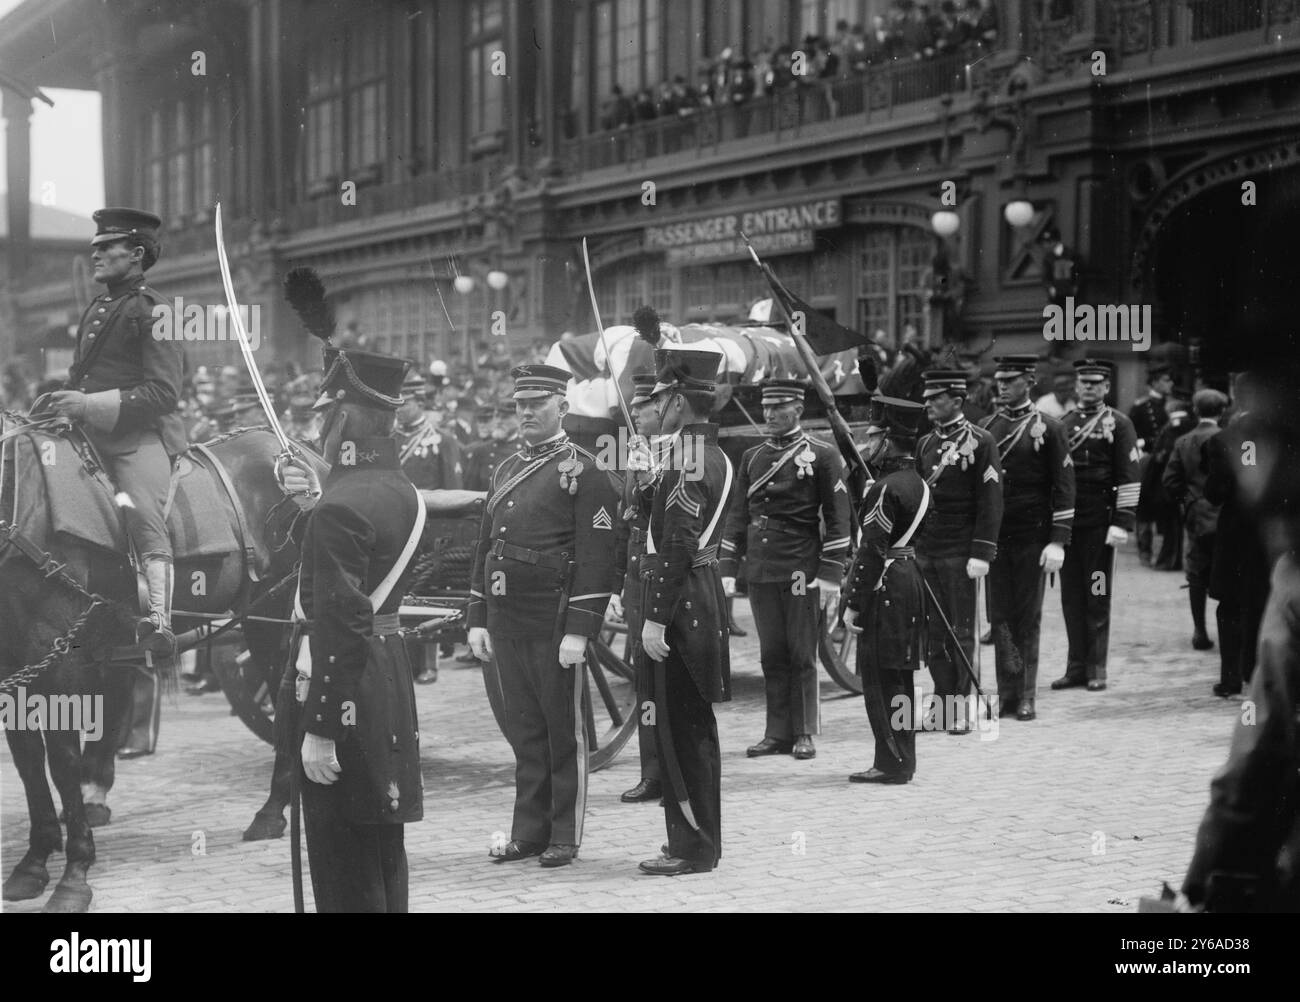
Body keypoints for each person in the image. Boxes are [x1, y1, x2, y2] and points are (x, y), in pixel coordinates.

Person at [466, 364, 618, 868]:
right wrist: (478, 617)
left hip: (554, 622)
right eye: (519, 404)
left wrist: (580, 630)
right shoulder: (506, 469)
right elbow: (487, 547)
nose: (526, 412)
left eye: (537, 403)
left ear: (563, 407)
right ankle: (527, 833)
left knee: (561, 731)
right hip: (507, 619)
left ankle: (564, 835)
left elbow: (597, 557)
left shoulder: (587, 471)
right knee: (525, 731)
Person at [295, 347, 425, 912]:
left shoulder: (338, 508)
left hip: (345, 684)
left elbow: (342, 624)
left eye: (326, 417)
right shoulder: (399, 489)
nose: (320, 429)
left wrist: (321, 726)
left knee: (342, 854)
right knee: (380, 841)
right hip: (387, 671)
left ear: (343, 419)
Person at [40, 207, 184, 654]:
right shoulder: (100, 306)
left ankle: (159, 616)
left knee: (140, 508)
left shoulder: (156, 310)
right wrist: (59, 404)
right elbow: (82, 377)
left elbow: (163, 394)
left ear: (136, 253)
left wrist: (86, 405)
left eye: (106, 247)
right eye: (95, 246)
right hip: (86, 434)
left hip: (136, 438)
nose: (95, 254)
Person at [638, 348, 733, 875]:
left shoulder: (683, 460)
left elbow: (676, 543)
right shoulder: (712, 454)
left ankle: (692, 847)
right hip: (703, 591)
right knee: (696, 730)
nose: (656, 406)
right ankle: (701, 843)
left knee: (682, 733)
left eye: (658, 398)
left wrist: (655, 617)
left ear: (676, 400)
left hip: (680, 605)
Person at [720, 379, 851, 761]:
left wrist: (830, 573)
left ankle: (805, 731)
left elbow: (838, 518)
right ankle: (776, 732)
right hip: (761, 568)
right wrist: (730, 565)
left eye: (779, 408)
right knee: (771, 653)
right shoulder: (752, 457)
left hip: (799, 566)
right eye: (766, 407)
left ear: (797, 408)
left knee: (800, 652)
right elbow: (738, 515)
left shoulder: (823, 455)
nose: (769, 415)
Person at [842, 374, 929, 783]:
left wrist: (854, 603)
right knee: (901, 675)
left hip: (885, 587)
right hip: (909, 578)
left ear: (888, 440)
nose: (867, 444)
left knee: (880, 677)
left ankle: (889, 762)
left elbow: (871, 550)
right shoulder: (919, 483)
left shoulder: (883, 488)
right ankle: (902, 759)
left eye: (872, 436)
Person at [979, 355, 1074, 722]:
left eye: (1010, 379)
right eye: (999, 379)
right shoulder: (988, 426)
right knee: (1000, 616)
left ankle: (1027, 695)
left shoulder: (1050, 428)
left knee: (1027, 617)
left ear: (1029, 380)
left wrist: (1058, 540)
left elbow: (1064, 487)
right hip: (998, 538)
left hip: (1034, 536)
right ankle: (1006, 693)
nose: (1002, 385)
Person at [914, 369, 1003, 732]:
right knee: (935, 632)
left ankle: (961, 709)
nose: (929, 404)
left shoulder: (982, 442)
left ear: (957, 400)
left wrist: (982, 552)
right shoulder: (924, 444)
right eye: (928, 398)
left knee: (962, 631)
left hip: (960, 550)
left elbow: (991, 501)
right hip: (928, 550)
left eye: (936, 398)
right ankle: (942, 706)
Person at [1052, 359, 1140, 692]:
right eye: (1083, 383)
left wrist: (1122, 521)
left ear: (1106, 387)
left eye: (1095, 383)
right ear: (1076, 387)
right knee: (1071, 598)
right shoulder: (1062, 424)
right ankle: (1075, 666)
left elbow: (1129, 476)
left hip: (1100, 527)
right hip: (1069, 525)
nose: (1088, 388)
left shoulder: (1119, 424)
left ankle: (1096, 668)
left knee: (1097, 594)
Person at [609, 372, 664, 803]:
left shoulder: (688, 455)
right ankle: (652, 772)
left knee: (671, 683)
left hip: (668, 581)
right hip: (636, 578)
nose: (636, 415)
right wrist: (614, 586)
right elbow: (622, 522)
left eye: (643, 407)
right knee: (644, 682)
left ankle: (675, 769)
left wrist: (649, 482)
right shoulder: (635, 455)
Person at [1163, 389, 1227, 651]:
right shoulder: (1230, 439)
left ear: (1196, 411)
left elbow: (1170, 480)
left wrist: (1187, 501)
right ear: (1222, 411)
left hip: (1197, 517)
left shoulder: (1183, 441)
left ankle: (1199, 631)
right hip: (1227, 516)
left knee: (1197, 574)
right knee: (1232, 572)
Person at [1130, 363, 1174, 566]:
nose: (1170, 384)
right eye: (1166, 380)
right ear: (1155, 382)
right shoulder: (1140, 408)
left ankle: (1166, 553)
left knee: (1167, 505)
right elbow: (1133, 438)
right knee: (1145, 506)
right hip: (1149, 462)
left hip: (1168, 462)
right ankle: (1145, 551)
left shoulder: (1172, 406)